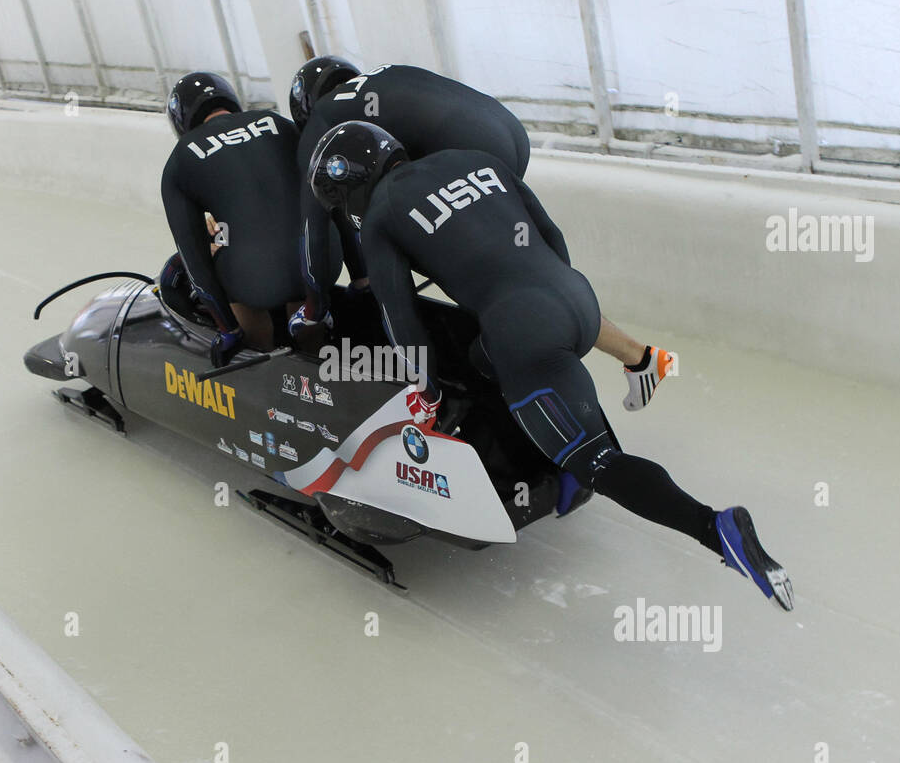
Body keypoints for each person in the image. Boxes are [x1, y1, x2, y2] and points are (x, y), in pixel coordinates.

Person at [307, 121, 793, 611]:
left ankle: (714, 527)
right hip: (575, 297)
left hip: (525, 330)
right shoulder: (474, 157)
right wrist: (551, 301)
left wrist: (427, 393)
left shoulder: (382, 215)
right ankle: (597, 404)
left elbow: (399, 316)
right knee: (482, 359)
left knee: (598, 461)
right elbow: (550, 233)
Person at [285, 60, 531, 342]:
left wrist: (314, 308)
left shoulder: (322, 118)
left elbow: (312, 229)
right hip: (511, 132)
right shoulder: (381, 78)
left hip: (469, 141)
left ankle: (496, 328)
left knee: (399, 230)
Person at [161, 71, 307, 364]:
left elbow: (195, 261)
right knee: (297, 262)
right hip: (318, 264)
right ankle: (311, 346)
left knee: (216, 261)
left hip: (254, 278)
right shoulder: (279, 122)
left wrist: (228, 330)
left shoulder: (180, 160)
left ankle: (261, 354)